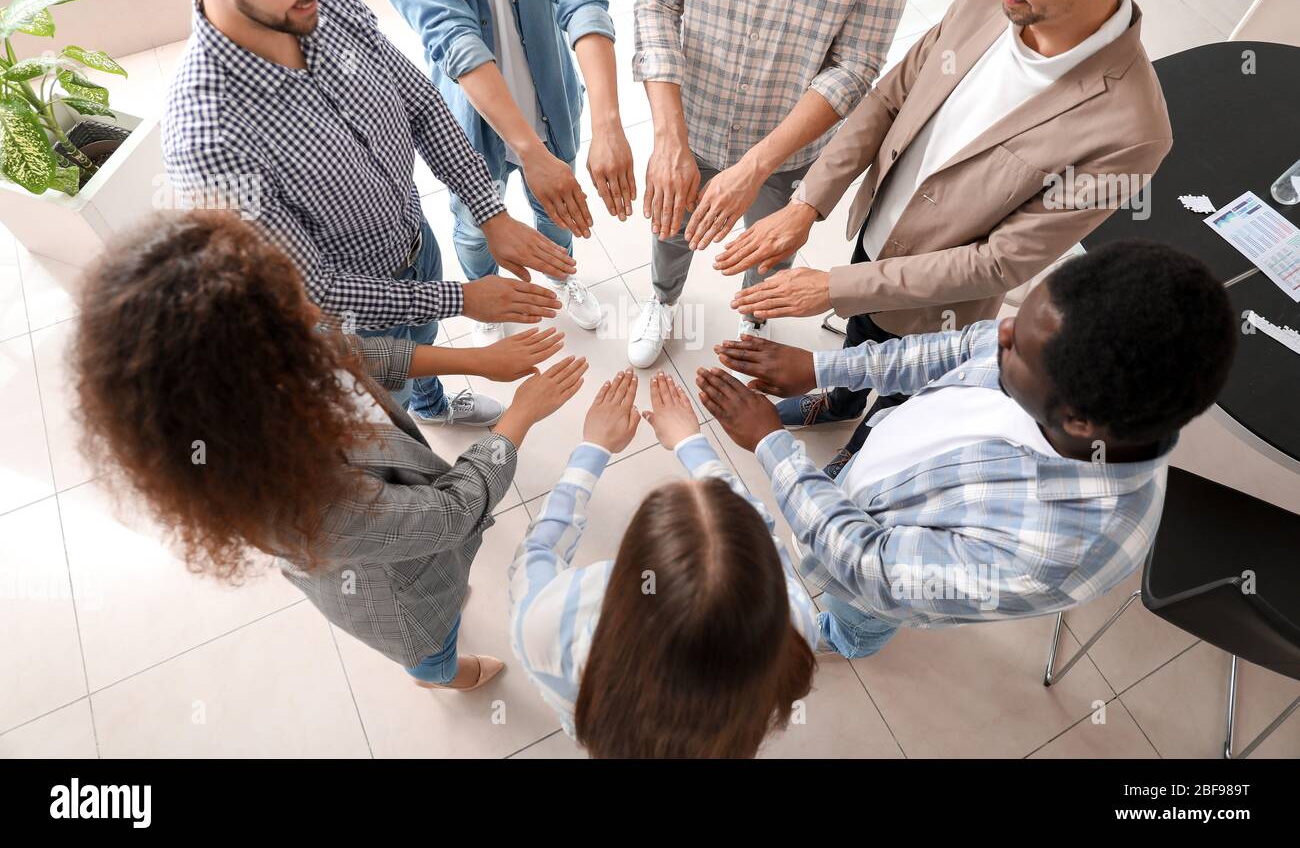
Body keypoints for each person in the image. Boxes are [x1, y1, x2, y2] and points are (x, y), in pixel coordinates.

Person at [718, 0, 1176, 473]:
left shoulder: (1130, 131)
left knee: (904, 396)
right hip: (872, 241)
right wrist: (809, 202)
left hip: (936, 308)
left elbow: (998, 263)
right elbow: (893, 95)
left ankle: (862, 457)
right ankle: (839, 400)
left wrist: (833, 287)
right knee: (860, 343)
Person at [73, 208, 588, 690]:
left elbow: (347, 352)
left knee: (444, 584)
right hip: (401, 596)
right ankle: (437, 675)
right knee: (433, 646)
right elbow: (450, 513)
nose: (313, 308)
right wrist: (520, 417)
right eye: (292, 307)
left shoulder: (266, 354)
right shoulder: (299, 507)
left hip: (413, 546)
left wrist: (475, 360)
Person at [704, 239, 1236, 659]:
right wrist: (823, 368)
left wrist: (772, 445)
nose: (999, 330)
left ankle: (840, 642)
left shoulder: (1058, 549)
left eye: (1016, 346)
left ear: (1077, 418)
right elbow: (955, 347)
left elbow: (873, 568)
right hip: (867, 486)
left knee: (855, 619)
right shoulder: (1058, 365)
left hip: (867, 584)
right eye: (1018, 315)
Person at [160, 0, 575, 428]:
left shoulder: (327, 1)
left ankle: (433, 403)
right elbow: (318, 292)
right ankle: (415, 418)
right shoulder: (210, 141)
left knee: (423, 355)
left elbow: (421, 103)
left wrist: (488, 211)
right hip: (357, 324)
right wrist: (462, 300)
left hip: (415, 249)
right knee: (389, 411)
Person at [625, 0, 922, 368]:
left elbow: (855, 64)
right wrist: (668, 139)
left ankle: (756, 310)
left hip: (791, 143)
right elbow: (657, 0)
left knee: (770, 243)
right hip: (693, 120)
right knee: (671, 227)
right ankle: (661, 300)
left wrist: (756, 165)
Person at [362, 0, 635, 347]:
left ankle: (561, 278)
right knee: (475, 225)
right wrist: (529, 152)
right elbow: (453, 36)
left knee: (556, 214)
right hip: (470, 122)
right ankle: (485, 293)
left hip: (552, 103)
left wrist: (609, 124)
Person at [508, 370, 817, 756]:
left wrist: (592, 450)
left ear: (633, 566)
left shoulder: (548, 623)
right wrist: (691, 444)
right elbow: (762, 530)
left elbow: (538, 551)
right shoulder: (796, 626)